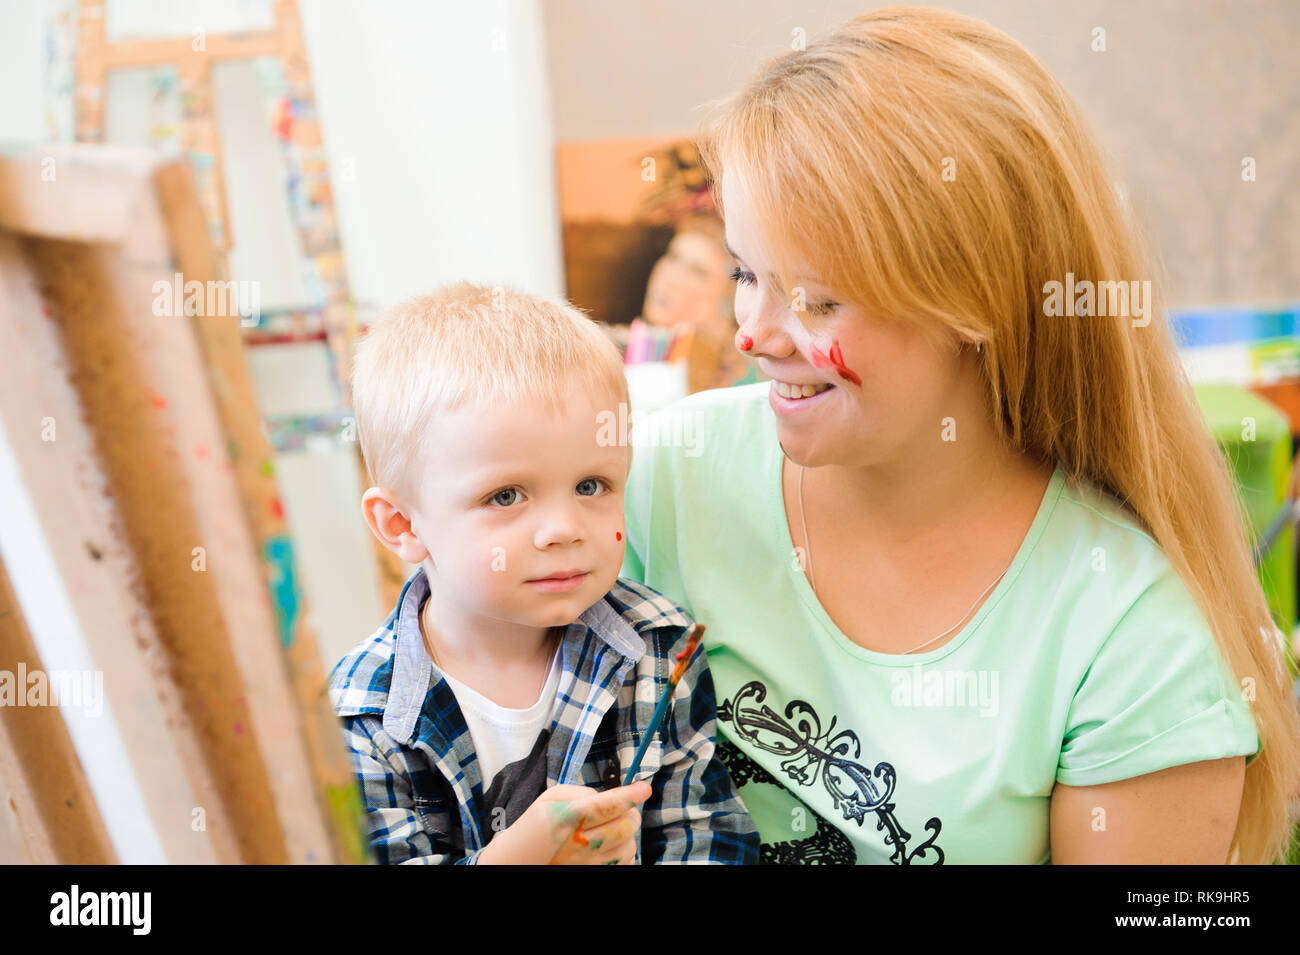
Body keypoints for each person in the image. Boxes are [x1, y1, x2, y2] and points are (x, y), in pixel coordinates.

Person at [621, 6, 1299, 864]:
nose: (752, 332)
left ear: (975, 304)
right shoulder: (659, 477)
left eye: (817, 299)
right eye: (746, 273)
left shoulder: (1135, 637)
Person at [330, 281, 759, 864]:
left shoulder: (660, 646)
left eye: (591, 486)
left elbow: (707, 836)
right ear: (403, 524)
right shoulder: (362, 714)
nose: (563, 528)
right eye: (505, 495)